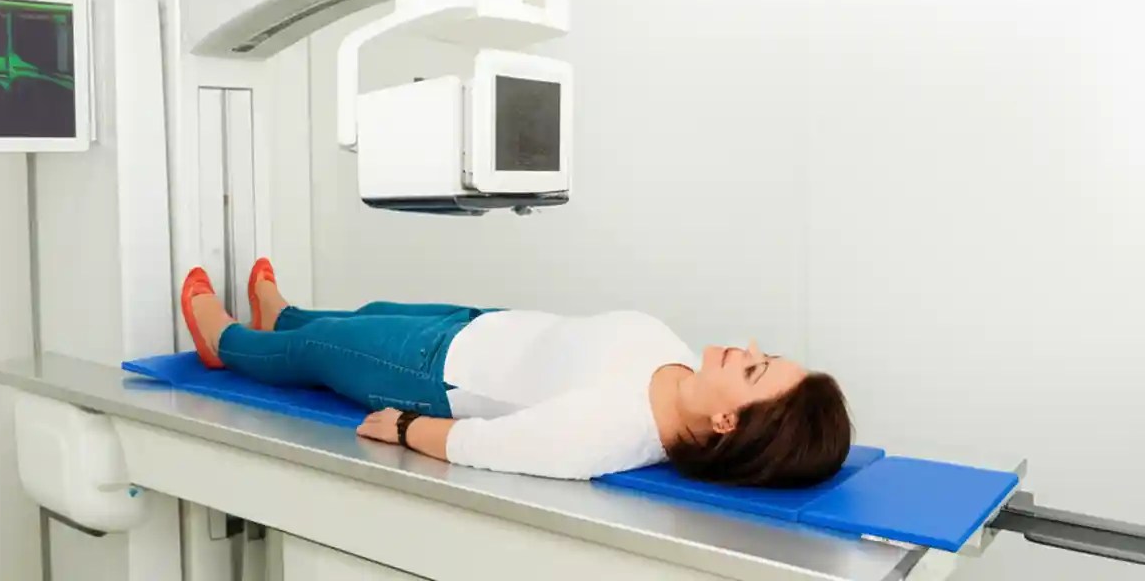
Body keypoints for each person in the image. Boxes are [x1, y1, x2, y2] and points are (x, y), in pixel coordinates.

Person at [181, 259, 853, 486]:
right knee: (364, 315)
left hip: (431, 371)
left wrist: (409, 427)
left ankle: (226, 340)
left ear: (728, 420)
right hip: (478, 327)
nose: (747, 347)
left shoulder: (610, 431)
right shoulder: (680, 369)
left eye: (756, 368)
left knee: (316, 352)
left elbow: (491, 446)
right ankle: (283, 313)